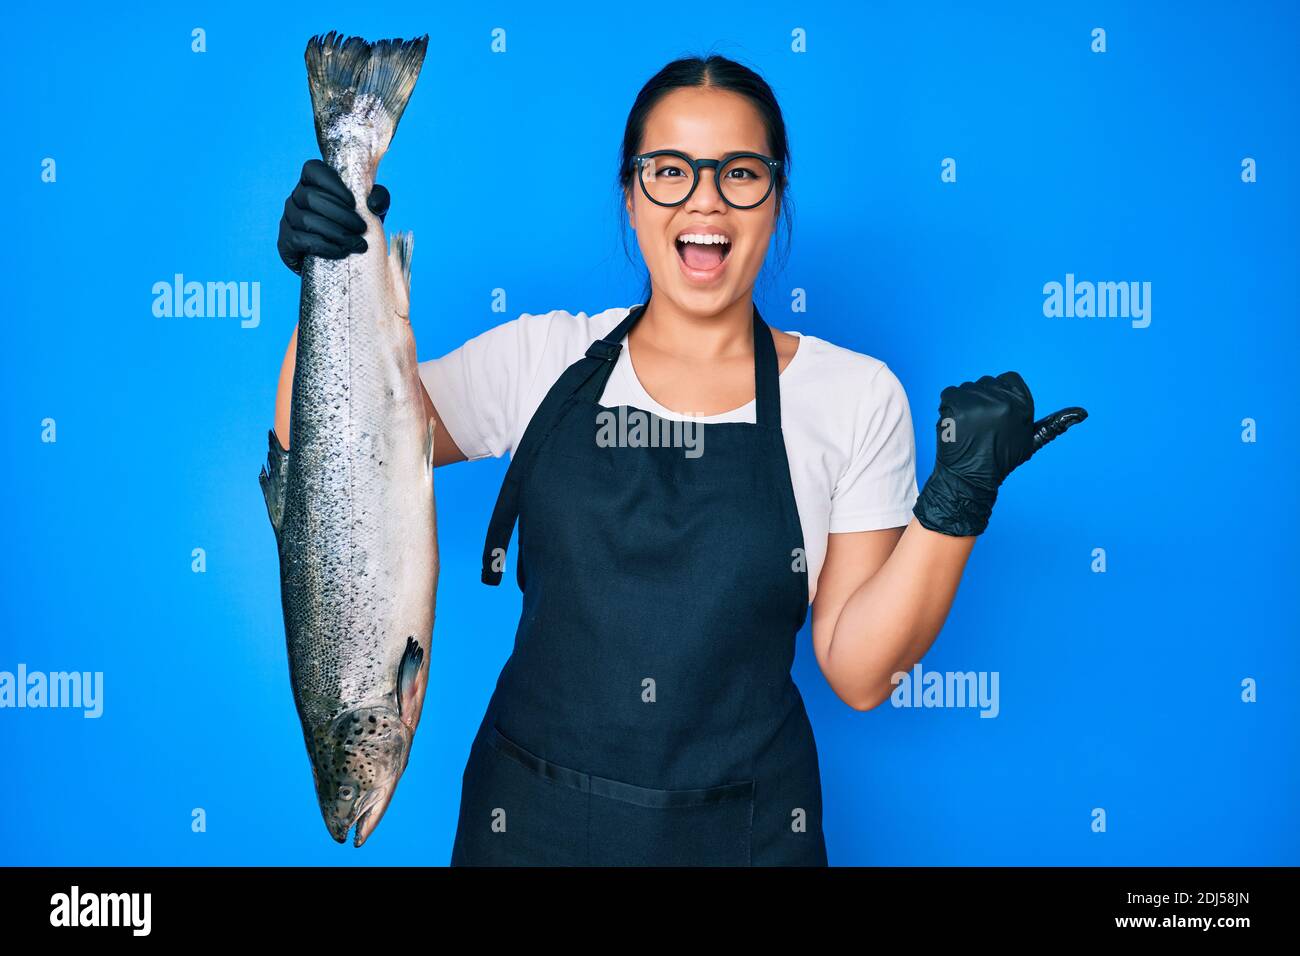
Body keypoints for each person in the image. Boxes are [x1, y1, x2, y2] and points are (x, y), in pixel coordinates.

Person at [273, 54, 1086, 866]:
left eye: (739, 172)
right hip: (527, 827)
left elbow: (860, 670)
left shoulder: (855, 395)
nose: (705, 200)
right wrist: (326, 268)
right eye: (669, 171)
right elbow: (328, 458)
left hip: (746, 838)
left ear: (777, 197)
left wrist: (958, 502)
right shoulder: (541, 358)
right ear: (630, 197)